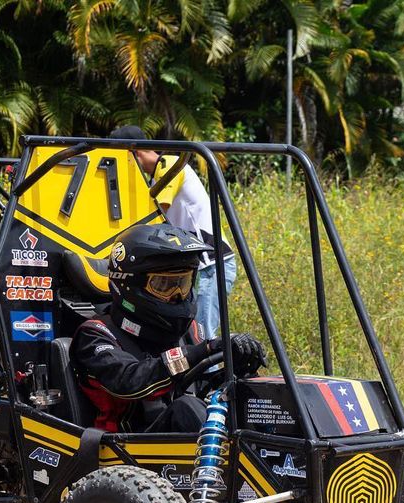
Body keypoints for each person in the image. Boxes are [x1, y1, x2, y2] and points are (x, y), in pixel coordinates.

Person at [71, 222, 266, 433]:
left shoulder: (189, 330)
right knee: (186, 408)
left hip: (178, 447)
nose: (177, 296)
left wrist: (237, 367)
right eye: (164, 285)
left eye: (182, 284)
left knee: (251, 393)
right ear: (129, 285)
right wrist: (204, 350)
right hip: (127, 450)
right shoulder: (95, 334)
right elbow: (129, 381)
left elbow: (200, 389)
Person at [109, 125, 237, 340]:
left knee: (203, 335)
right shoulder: (154, 178)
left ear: (132, 154)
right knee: (186, 334)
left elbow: (155, 218)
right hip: (194, 266)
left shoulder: (170, 164)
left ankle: (212, 374)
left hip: (212, 264)